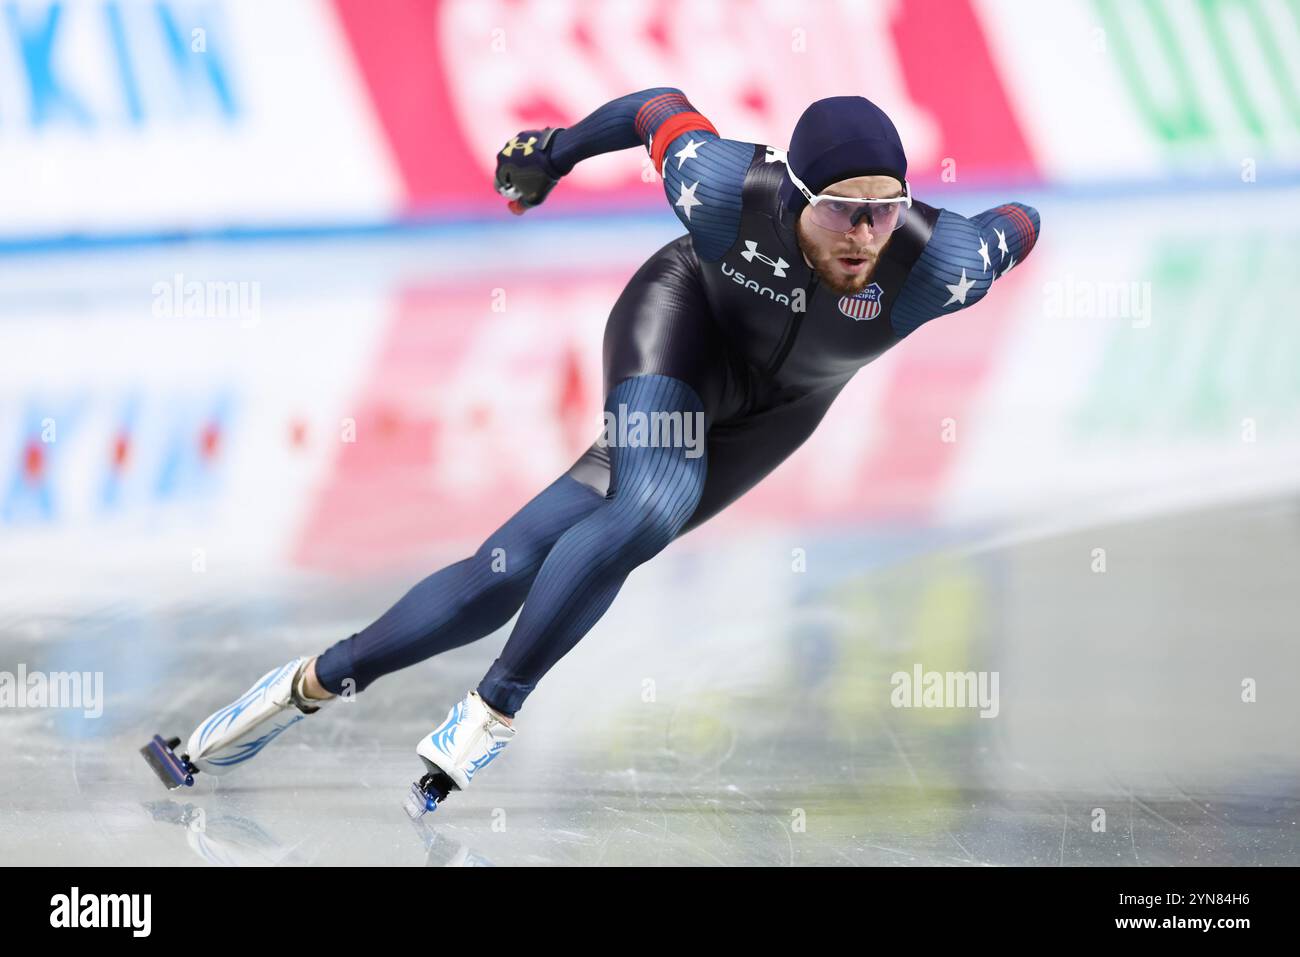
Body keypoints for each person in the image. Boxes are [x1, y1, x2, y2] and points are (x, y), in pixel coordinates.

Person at [158, 90, 1040, 811]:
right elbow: (659, 109)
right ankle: (493, 709)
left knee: (512, 565)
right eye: (844, 209)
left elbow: (1021, 219)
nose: (865, 235)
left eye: (885, 211)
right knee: (650, 504)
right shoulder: (726, 186)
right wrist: (556, 154)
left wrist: (999, 221)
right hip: (677, 332)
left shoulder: (941, 261)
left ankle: (297, 687)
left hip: (780, 411)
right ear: (801, 197)